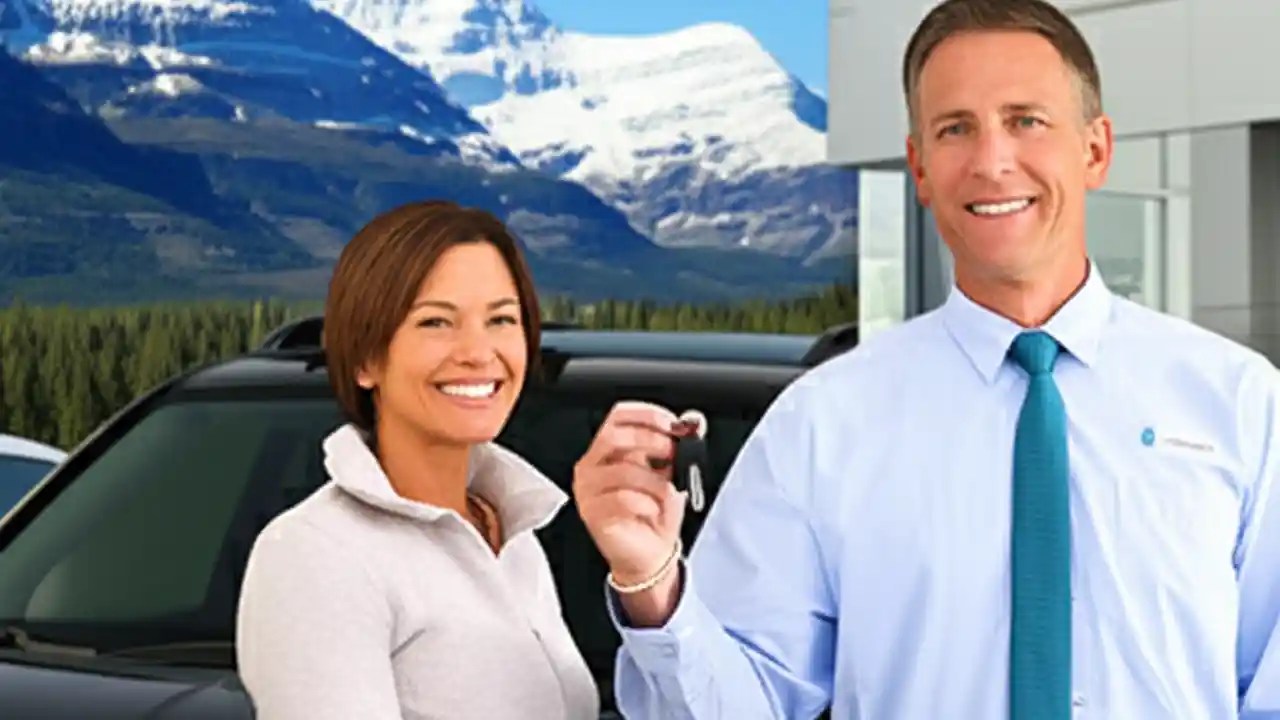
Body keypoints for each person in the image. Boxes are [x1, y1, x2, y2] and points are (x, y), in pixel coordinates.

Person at [572, 0, 1280, 718]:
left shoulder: (1242, 405)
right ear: (918, 167)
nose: (992, 161)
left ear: (1095, 150)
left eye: (1026, 120)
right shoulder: (822, 424)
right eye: (955, 129)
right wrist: (654, 584)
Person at [235, 200, 599, 719]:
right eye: (436, 322)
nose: (478, 352)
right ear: (366, 359)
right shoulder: (318, 555)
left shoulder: (511, 536)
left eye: (501, 319)